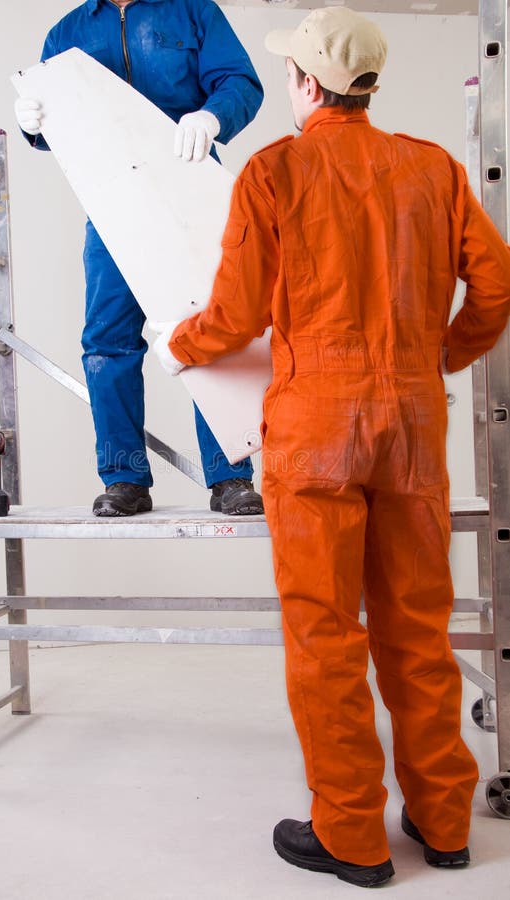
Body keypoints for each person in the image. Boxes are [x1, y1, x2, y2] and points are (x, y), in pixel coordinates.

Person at [153, 6, 510, 888]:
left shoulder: (275, 170)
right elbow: (496, 288)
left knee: (324, 636)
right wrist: (440, 355)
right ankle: (443, 824)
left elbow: (235, 316)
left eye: (288, 70)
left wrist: (183, 344)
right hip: (413, 435)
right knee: (417, 632)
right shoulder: (432, 168)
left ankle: (350, 835)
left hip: (316, 432)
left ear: (307, 83)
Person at [14, 0, 265, 517]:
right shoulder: (67, 33)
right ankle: (125, 478)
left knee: (210, 324)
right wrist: (33, 126)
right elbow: (53, 120)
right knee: (108, 341)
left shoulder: (193, 12)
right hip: (111, 202)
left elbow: (242, 82)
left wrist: (212, 116)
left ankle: (231, 477)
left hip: (189, 186)